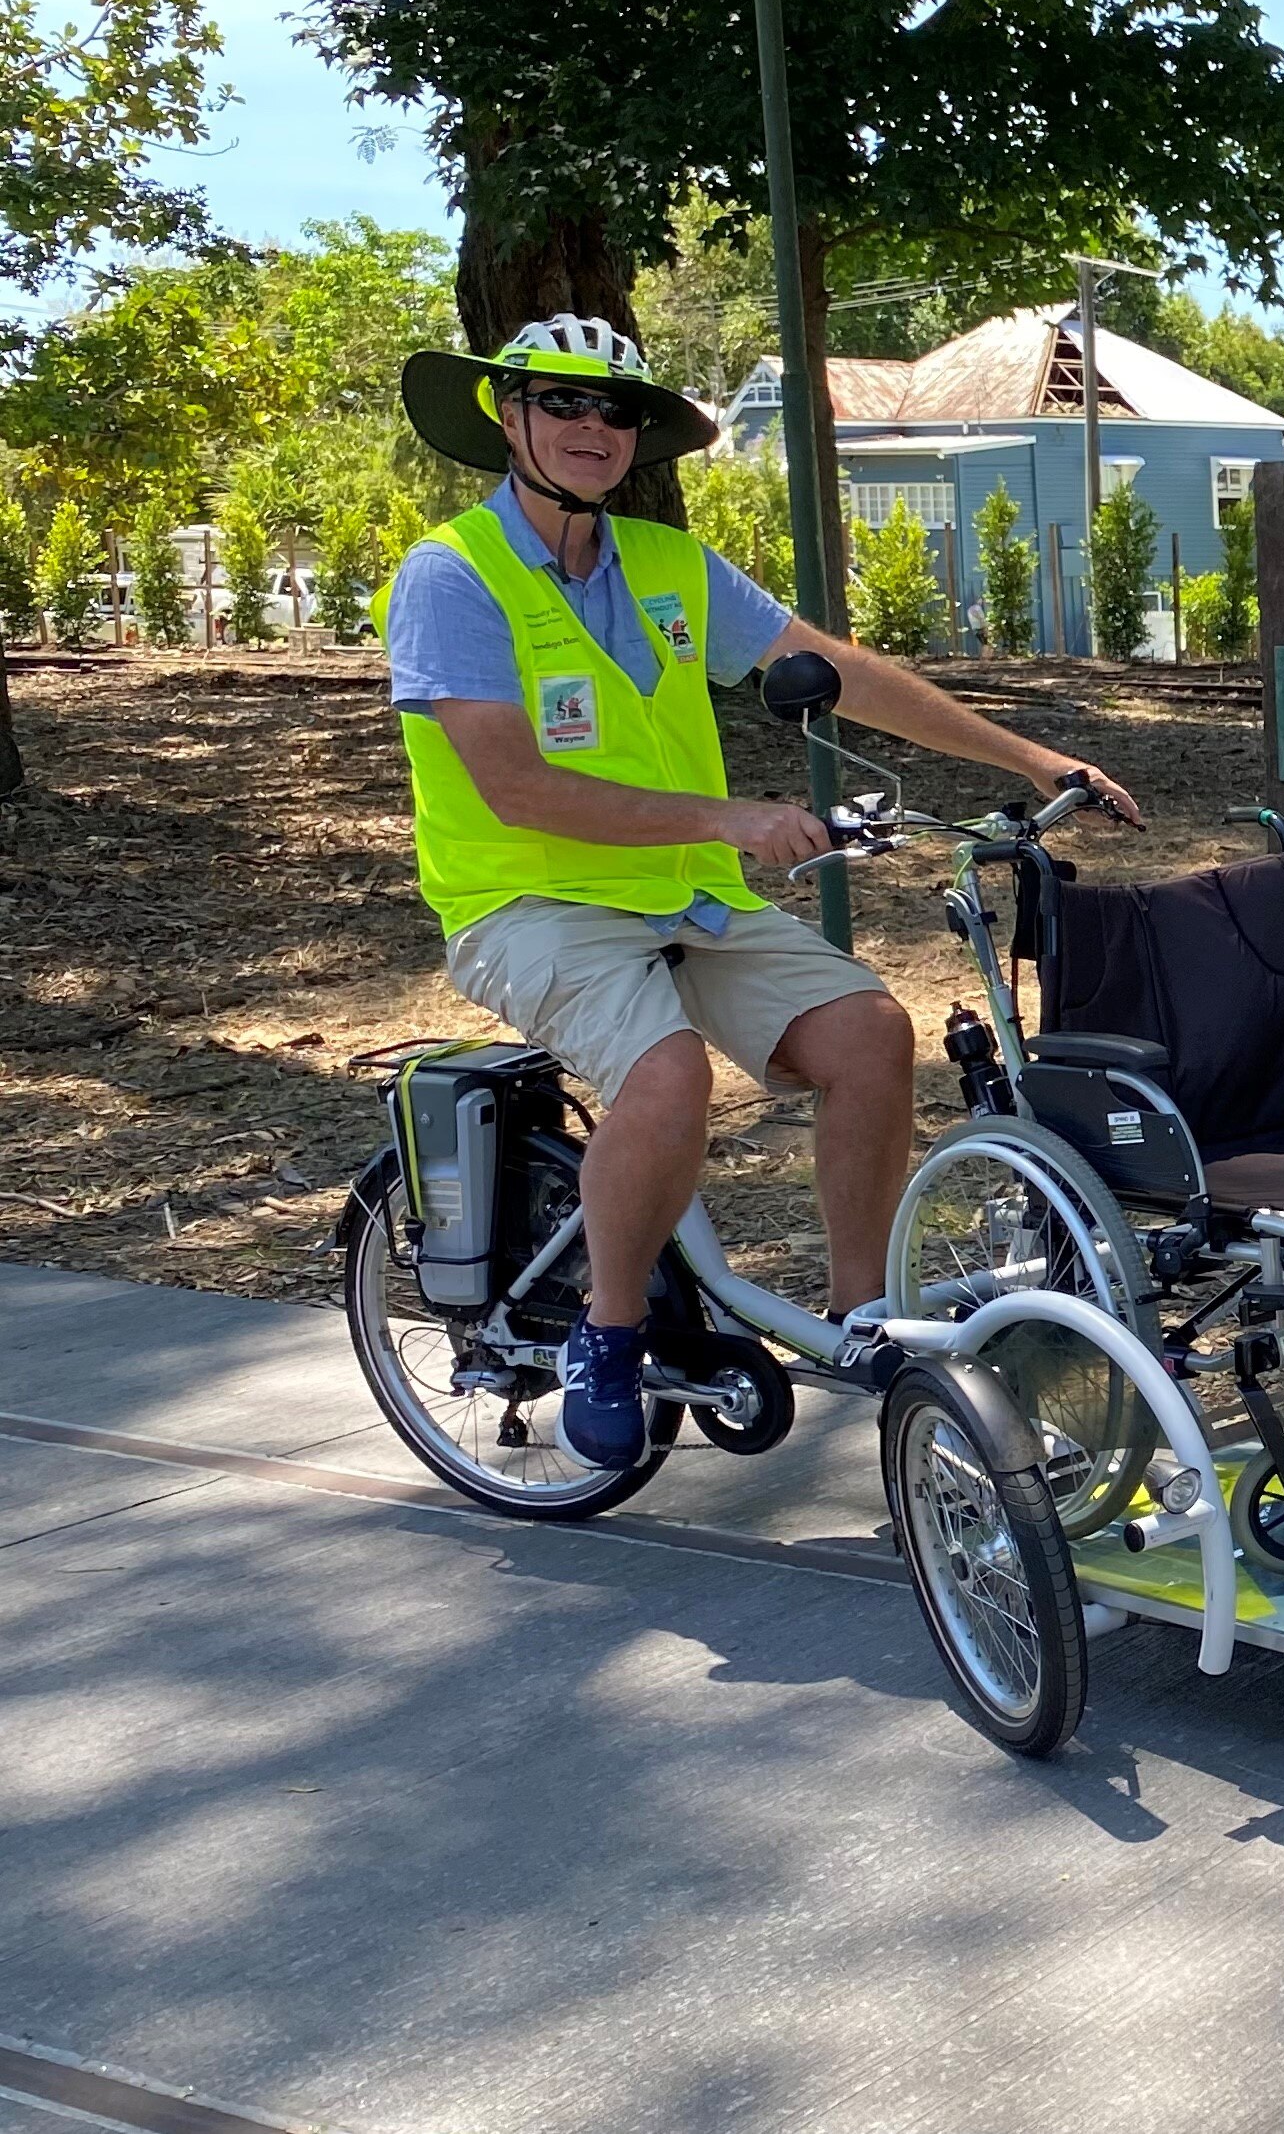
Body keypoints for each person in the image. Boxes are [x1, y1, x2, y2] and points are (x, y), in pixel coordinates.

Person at [386, 315, 1148, 1473]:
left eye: (617, 409)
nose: (593, 427)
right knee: (667, 1073)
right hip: (527, 903)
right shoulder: (454, 575)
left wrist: (1031, 759)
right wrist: (731, 819)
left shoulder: (667, 565)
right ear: (508, 414)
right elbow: (514, 787)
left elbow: (838, 671)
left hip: (684, 899)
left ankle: (859, 1318)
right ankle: (608, 1332)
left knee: (870, 1033)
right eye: (561, 400)